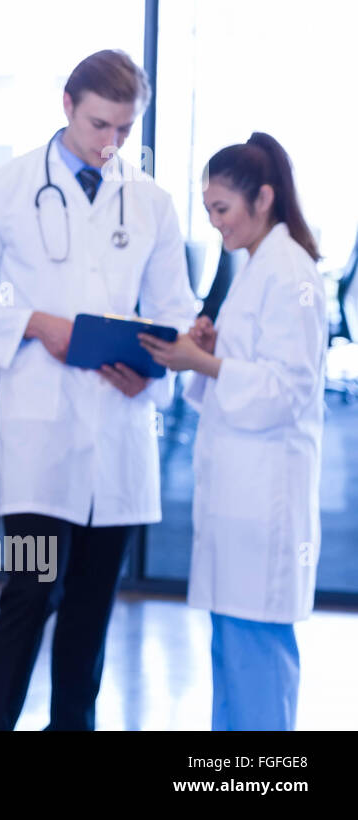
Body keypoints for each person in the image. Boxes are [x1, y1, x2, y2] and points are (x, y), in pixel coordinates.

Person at [0, 49, 197, 730]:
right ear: (66, 104)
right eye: (98, 124)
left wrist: (152, 361)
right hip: (40, 430)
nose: (109, 142)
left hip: (119, 424)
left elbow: (177, 307)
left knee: (91, 609)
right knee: (29, 595)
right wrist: (33, 322)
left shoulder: (151, 202)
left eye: (123, 129)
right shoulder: (2, 188)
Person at [139, 133, 324, 731]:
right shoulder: (255, 267)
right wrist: (215, 350)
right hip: (236, 494)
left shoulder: (290, 272)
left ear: (263, 198)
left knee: (256, 658)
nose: (215, 224)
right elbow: (255, 365)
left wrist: (207, 363)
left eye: (222, 209)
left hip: (265, 495)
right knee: (232, 653)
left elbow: (289, 390)